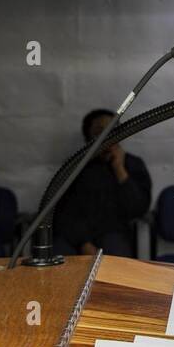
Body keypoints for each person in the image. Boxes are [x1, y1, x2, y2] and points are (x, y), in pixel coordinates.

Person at [53, 109, 152, 257]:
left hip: (114, 234)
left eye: (113, 130)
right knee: (57, 259)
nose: (107, 136)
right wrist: (83, 242)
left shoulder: (133, 164)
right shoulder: (74, 166)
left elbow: (138, 208)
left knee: (116, 256)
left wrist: (119, 169)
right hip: (75, 235)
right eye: (99, 131)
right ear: (89, 136)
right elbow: (61, 211)